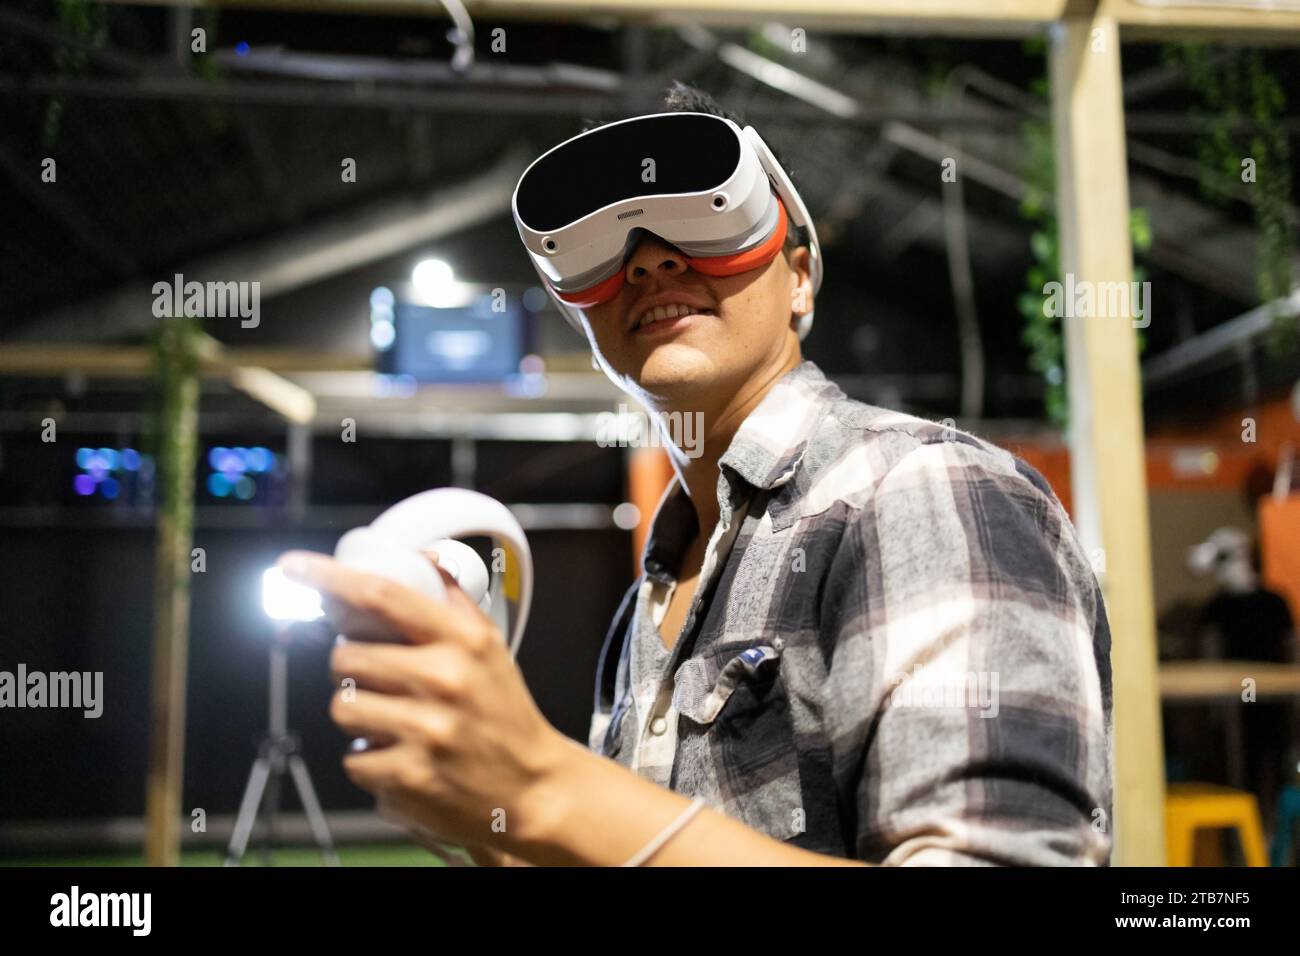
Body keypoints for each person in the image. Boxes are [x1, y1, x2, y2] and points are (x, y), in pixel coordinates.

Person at [278, 83, 1113, 866]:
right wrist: (484, 820)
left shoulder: (925, 490)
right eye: (608, 248)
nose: (647, 263)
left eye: (703, 223)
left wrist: (542, 787)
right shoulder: (645, 604)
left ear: (799, 276)